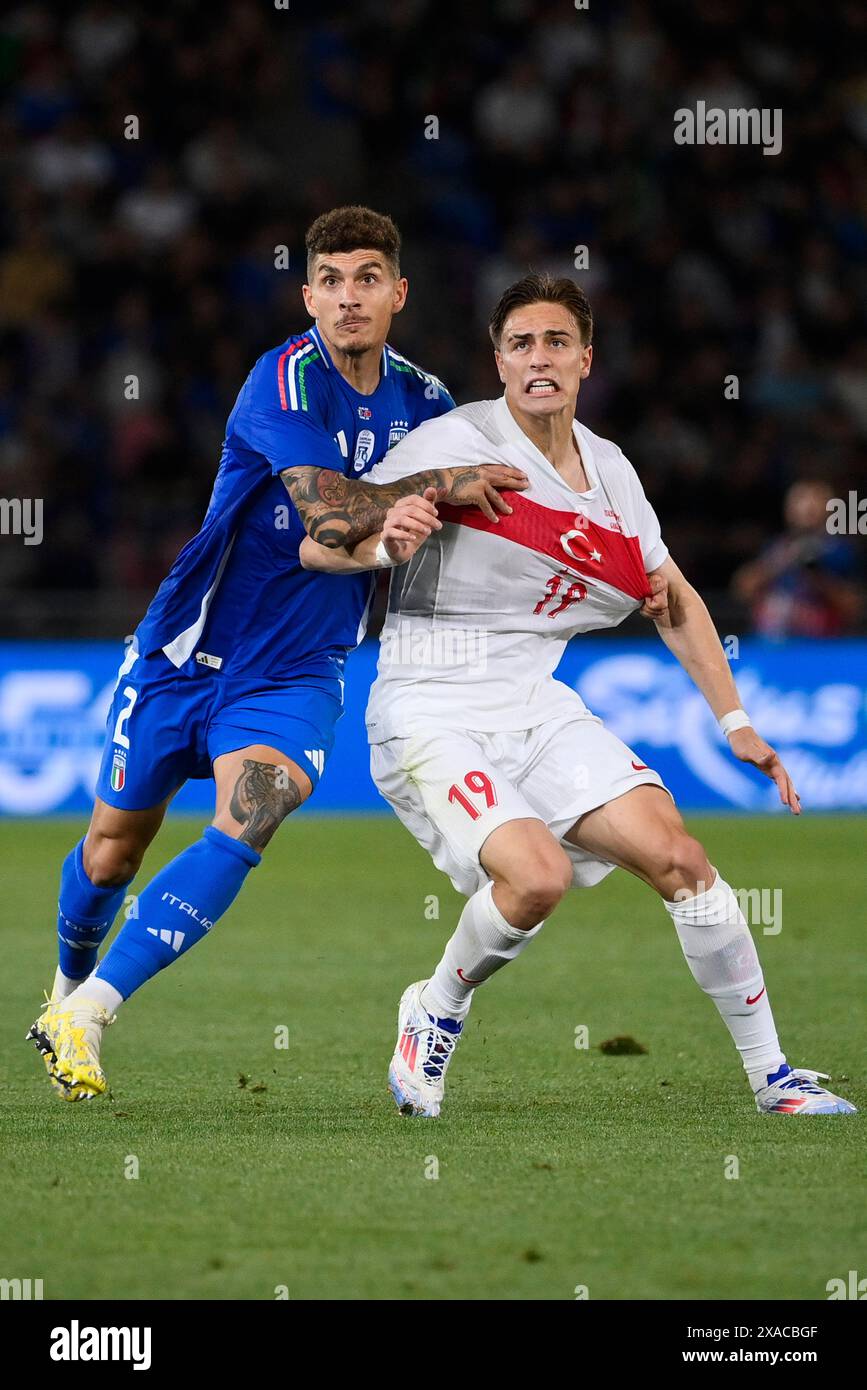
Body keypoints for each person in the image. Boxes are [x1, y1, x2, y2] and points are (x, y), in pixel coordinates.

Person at [300, 272, 855, 1119]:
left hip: (537, 706)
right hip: (429, 707)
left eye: (556, 341)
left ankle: (771, 1077)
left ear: (584, 359)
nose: (538, 358)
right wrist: (388, 535)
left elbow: (672, 597)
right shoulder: (450, 442)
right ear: (498, 359)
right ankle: (435, 1011)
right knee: (536, 880)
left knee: (681, 860)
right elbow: (323, 536)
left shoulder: (610, 472)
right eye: (519, 343)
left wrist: (733, 721)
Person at [28, 205, 525, 1102]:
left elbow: (458, 513)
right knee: (109, 855)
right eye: (329, 281)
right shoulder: (282, 382)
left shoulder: (426, 402)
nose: (347, 298)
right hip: (188, 650)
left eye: (367, 277)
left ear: (398, 293)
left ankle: (90, 1010)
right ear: (307, 295)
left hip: (299, 667)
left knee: (256, 809)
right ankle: (63, 983)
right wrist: (433, 489)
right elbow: (328, 521)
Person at [732, 479, 861, 637]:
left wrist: (817, 577)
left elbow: (853, 608)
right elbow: (743, 590)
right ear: (788, 508)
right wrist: (781, 561)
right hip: (772, 642)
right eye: (801, 500)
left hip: (824, 645)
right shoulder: (776, 547)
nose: (808, 508)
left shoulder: (840, 550)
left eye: (815, 500)